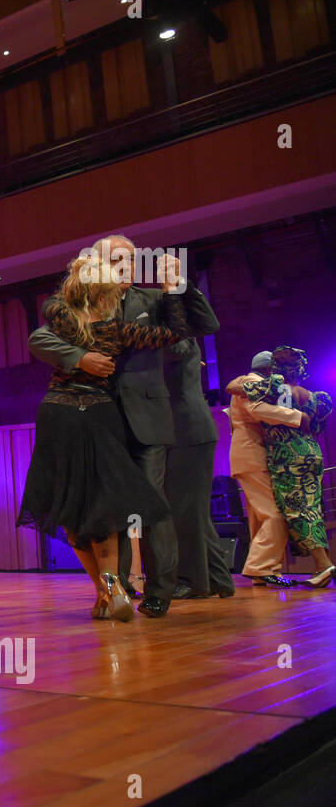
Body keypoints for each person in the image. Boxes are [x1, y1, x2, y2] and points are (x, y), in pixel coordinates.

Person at [29, 235, 219, 617]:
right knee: (105, 510)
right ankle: (114, 590)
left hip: (145, 418)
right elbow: (40, 336)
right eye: (116, 259)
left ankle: (160, 590)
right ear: (95, 264)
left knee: (150, 506)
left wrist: (178, 287)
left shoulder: (152, 299)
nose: (125, 266)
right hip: (93, 418)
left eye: (130, 260)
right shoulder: (74, 304)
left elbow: (204, 324)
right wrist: (82, 357)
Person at [234, 346, 333, 588]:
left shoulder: (270, 390)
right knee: (303, 510)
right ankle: (265, 568)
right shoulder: (316, 396)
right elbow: (318, 425)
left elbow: (246, 398)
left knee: (293, 512)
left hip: (287, 457)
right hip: (312, 453)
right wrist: (300, 418)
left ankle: (322, 565)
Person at [225, 351, 306, 587]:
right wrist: (297, 416)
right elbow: (258, 410)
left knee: (260, 518)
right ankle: (261, 567)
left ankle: (263, 570)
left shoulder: (249, 382)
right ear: (269, 369)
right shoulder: (253, 383)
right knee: (275, 515)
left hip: (248, 456)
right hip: (252, 456)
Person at [164, 335, 235, 600]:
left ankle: (193, 581)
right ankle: (218, 578)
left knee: (185, 511)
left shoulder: (174, 341)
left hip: (187, 431)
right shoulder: (181, 343)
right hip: (190, 430)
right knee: (195, 512)